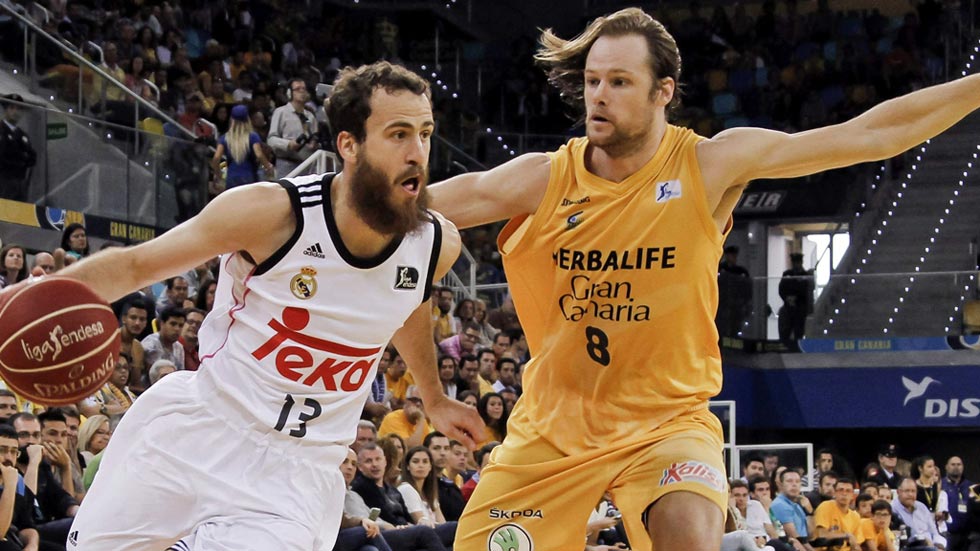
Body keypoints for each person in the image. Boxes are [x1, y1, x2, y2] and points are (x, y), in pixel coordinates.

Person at [429, 6, 980, 549]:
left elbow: (875, 134)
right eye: (593, 80)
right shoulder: (542, 179)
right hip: (552, 429)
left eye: (620, 81)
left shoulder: (709, 164)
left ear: (663, 91)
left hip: (668, 425)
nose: (598, 94)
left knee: (688, 536)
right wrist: (432, 394)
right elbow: (401, 220)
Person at [0, 61, 485, 551]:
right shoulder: (270, 213)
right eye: (398, 134)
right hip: (201, 429)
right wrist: (15, 301)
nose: (417, 151)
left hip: (294, 476)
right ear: (349, 145)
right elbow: (131, 266)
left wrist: (435, 395)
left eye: (424, 133)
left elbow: (407, 300)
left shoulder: (432, 244)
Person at [210, 104, 274, 191]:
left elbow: (216, 158)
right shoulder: (252, 136)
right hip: (249, 176)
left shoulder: (225, 137)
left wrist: (218, 175)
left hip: (231, 177)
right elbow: (259, 154)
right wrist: (268, 166)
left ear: (231, 119)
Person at [268, 77, 319, 177]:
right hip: (286, 164)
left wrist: (314, 143)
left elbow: (315, 136)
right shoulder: (281, 112)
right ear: (289, 93)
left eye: (304, 89)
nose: (302, 91)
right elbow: (271, 139)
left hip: (307, 165)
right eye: (298, 89)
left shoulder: (310, 116)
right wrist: (288, 144)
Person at [0, 94, 37, 202]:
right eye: (12, 108)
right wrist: (21, 157)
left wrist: (18, 157)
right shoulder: (1, 129)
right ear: (5, 110)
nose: (15, 112)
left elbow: (32, 158)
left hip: (20, 183)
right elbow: (3, 155)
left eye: (18, 109)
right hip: (3, 181)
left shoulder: (22, 135)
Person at [778, 253, 814, 348]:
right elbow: (781, 289)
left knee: (799, 331)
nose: (796, 265)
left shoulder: (805, 275)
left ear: (801, 262)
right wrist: (787, 298)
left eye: (798, 262)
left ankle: (797, 349)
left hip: (800, 307)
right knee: (786, 330)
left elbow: (806, 291)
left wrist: (796, 298)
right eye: (794, 263)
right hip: (789, 307)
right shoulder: (787, 274)